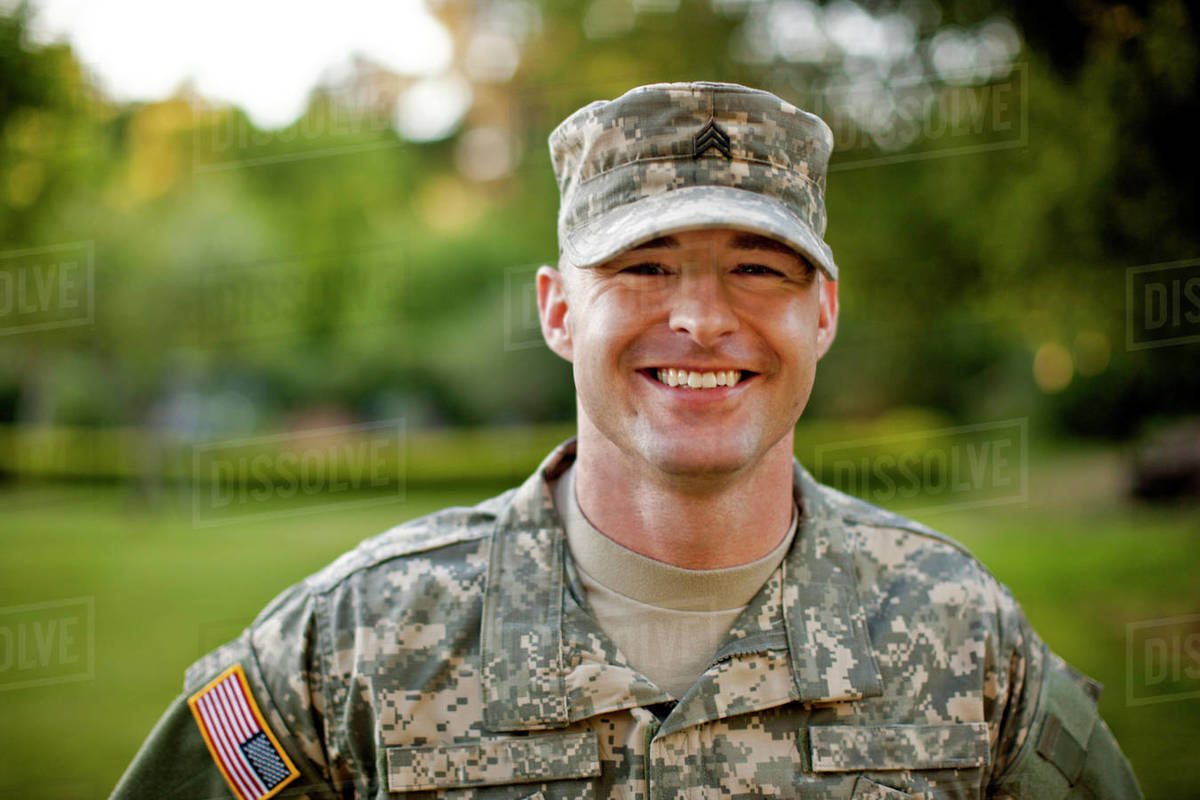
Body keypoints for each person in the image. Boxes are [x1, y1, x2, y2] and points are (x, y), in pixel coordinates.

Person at [111, 81, 1142, 799]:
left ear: (822, 311)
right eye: (644, 267)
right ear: (559, 311)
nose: (699, 317)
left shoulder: (965, 639)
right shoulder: (350, 648)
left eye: (758, 268)